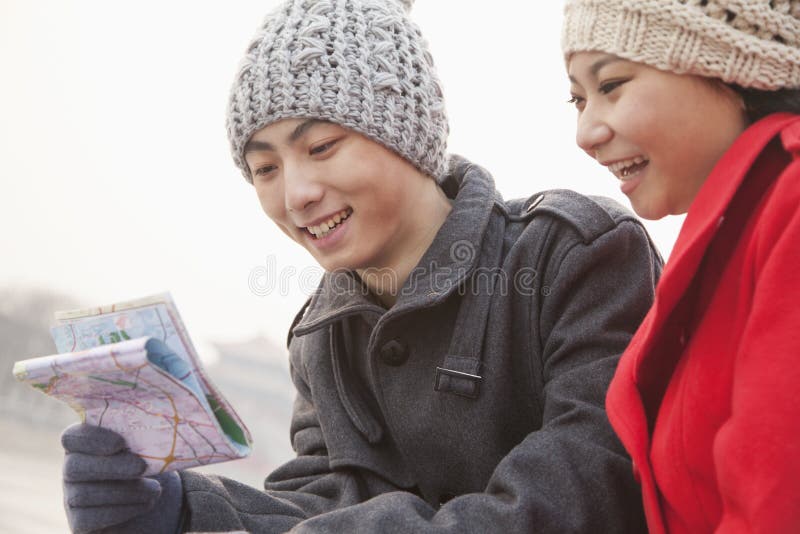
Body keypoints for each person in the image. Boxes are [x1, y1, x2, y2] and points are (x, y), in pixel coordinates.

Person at [59, 1, 663, 532]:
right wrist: (182, 508)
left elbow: (584, 495)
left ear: (408, 135)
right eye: (265, 169)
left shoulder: (576, 255)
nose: (296, 194)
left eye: (320, 147)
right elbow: (323, 502)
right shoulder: (320, 336)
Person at [562, 0, 800, 532]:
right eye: (576, 99)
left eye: (612, 84)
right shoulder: (732, 232)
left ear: (730, 64)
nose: (586, 132)